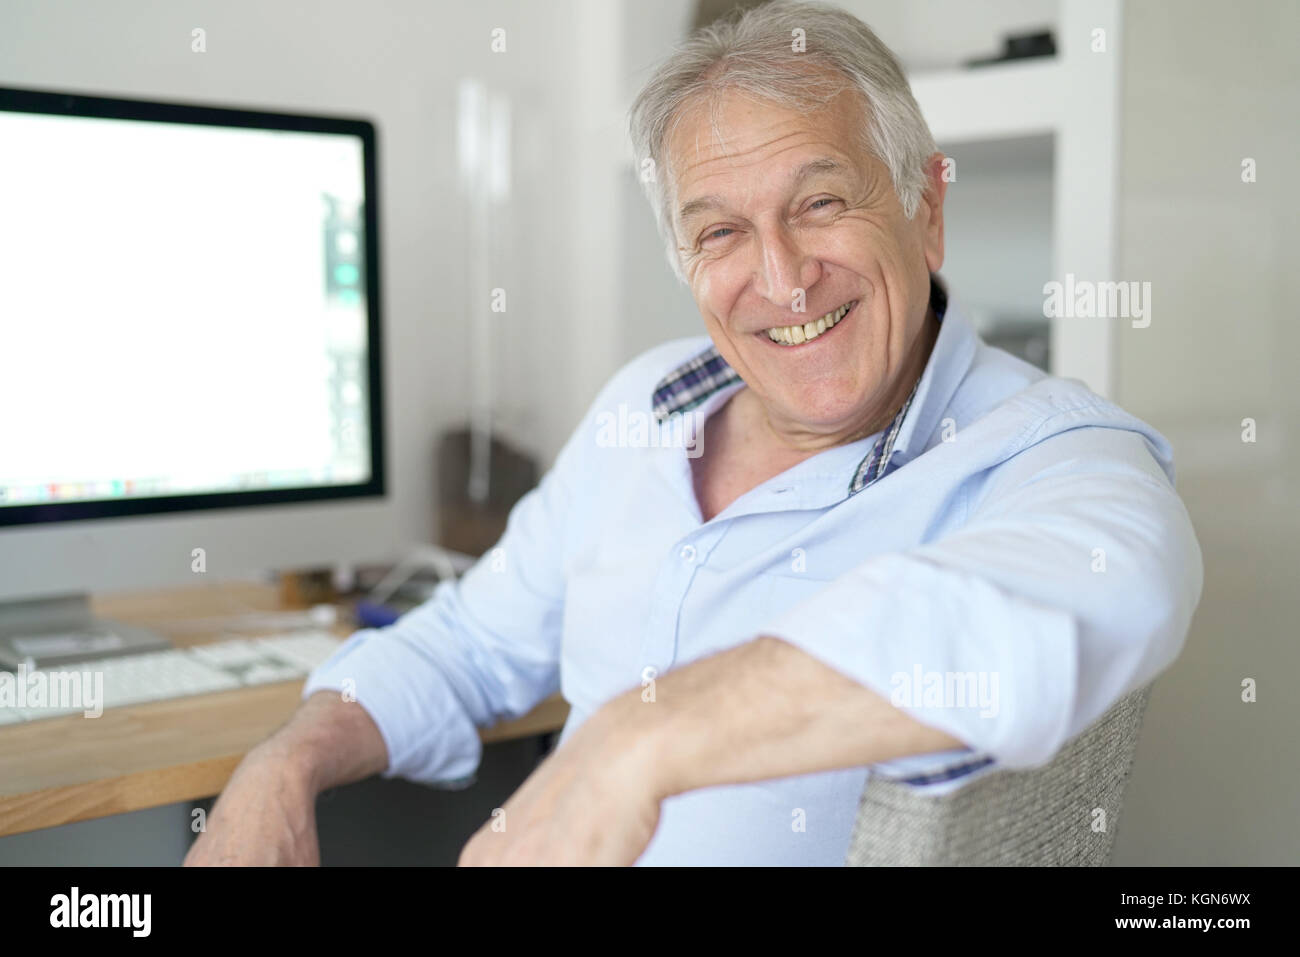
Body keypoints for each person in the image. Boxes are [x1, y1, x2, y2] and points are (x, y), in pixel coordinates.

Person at [185, 0, 1202, 866]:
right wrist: (291, 758)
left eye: (820, 201)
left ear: (923, 210)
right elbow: (471, 642)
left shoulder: (1046, 452)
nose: (781, 275)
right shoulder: (648, 402)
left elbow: (1071, 605)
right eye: (721, 231)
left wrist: (640, 738)